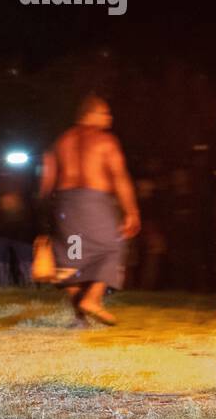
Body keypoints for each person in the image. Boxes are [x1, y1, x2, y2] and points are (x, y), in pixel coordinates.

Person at [39, 95, 140, 325]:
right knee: (113, 247)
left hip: (65, 203)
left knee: (70, 259)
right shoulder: (106, 140)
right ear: (90, 114)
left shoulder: (61, 141)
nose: (109, 117)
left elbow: (46, 183)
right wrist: (131, 211)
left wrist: (46, 216)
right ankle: (93, 299)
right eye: (105, 113)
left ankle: (79, 318)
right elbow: (119, 177)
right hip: (94, 202)